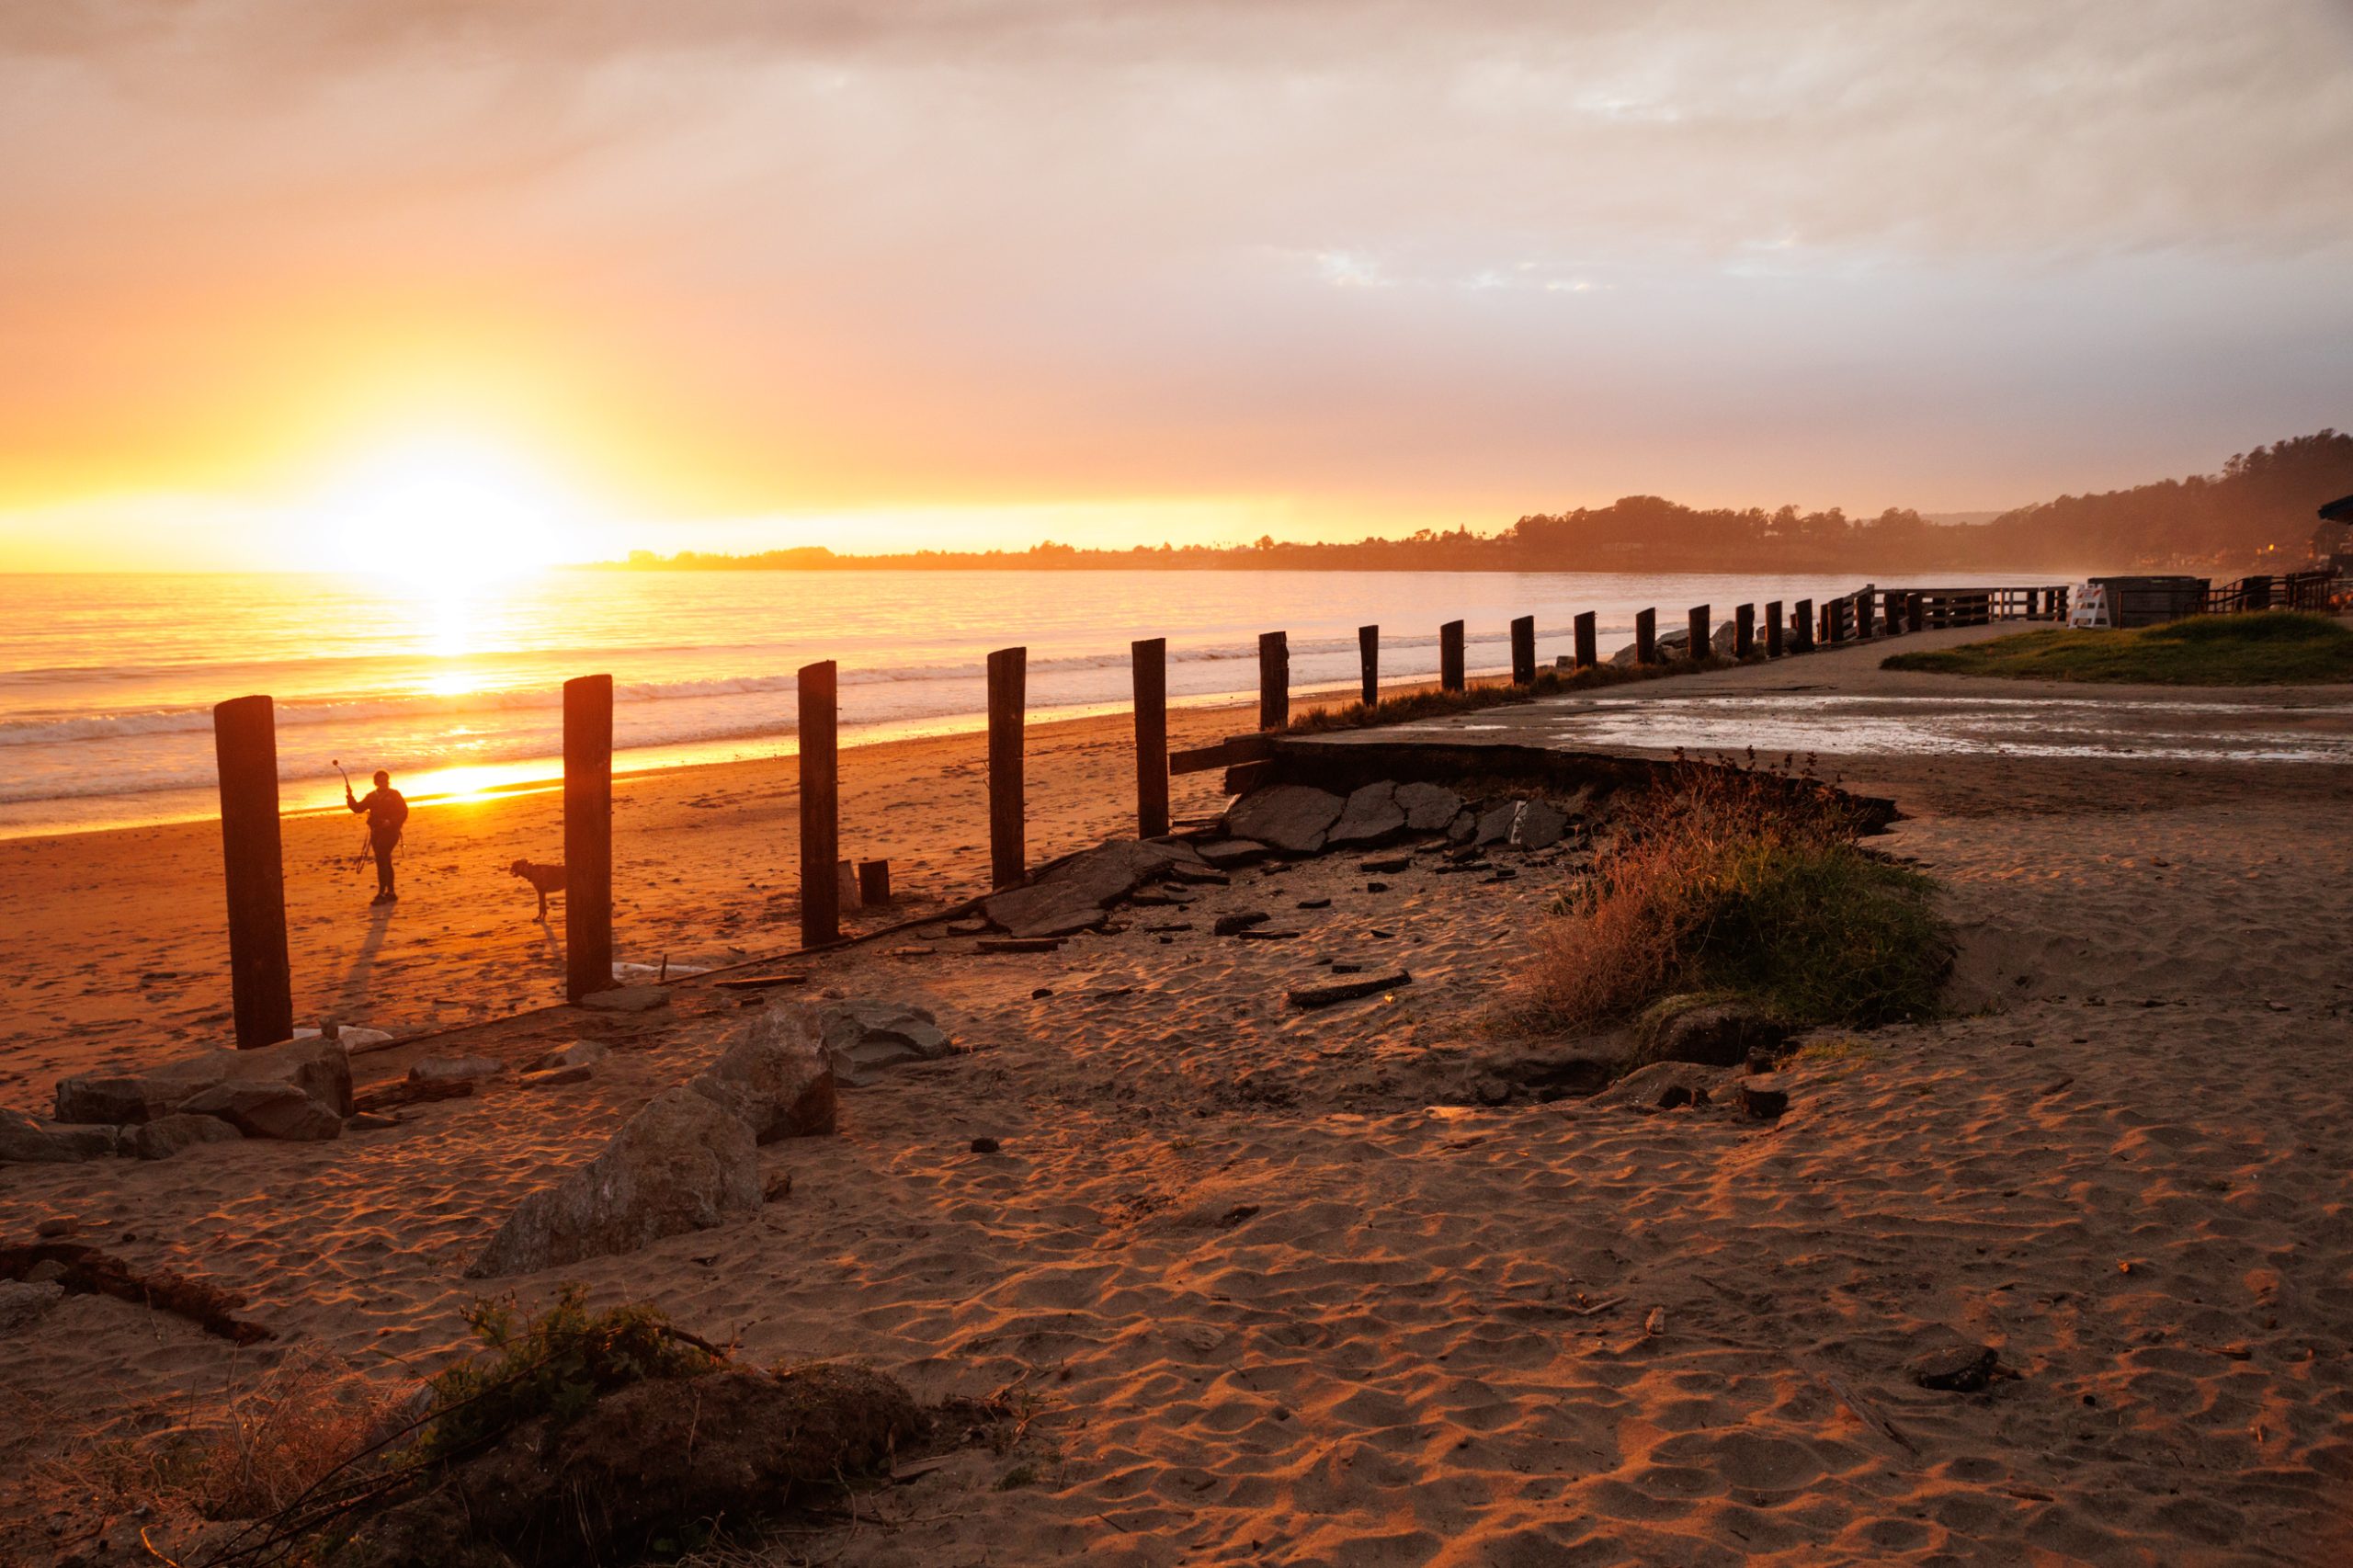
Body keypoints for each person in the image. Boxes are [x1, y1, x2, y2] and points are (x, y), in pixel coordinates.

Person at [347, 769, 409, 905]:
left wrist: (391, 822)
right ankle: (391, 892)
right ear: (376, 782)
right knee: (385, 860)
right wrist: (349, 796)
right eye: (381, 781)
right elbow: (357, 808)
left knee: (382, 857)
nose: (384, 783)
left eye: (386, 780)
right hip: (376, 833)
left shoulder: (395, 794)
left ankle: (381, 893)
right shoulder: (371, 796)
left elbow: (404, 812)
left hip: (392, 832)